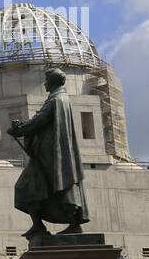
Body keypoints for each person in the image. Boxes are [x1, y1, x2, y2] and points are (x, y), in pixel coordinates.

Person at [8, 67, 89, 238]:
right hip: (50, 153)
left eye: (46, 80)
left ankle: (42, 225)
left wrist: (19, 130)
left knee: (25, 186)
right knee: (52, 187)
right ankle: (45, 225)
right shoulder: (62, 99)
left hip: (50, 155)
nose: (44, 84)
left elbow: (39, 121)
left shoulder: (55, 100)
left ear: (52, 82)